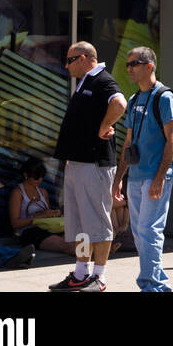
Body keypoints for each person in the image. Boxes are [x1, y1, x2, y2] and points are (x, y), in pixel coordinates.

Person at [49, 41, 126, 292]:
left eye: (70, 60)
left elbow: (120, 103)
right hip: (77, 164)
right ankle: (81, 273)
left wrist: (105, 126)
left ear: (83, 58)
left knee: (97, 223)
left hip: (94, 164)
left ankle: (99, 277)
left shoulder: (102, 80)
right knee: (80, 224)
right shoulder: (85, 82)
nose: (66, 65)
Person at [112, 46, 173, 292]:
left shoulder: (164, 97)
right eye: (128, 64)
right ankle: (158, 281)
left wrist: (161, 177)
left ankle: (150, 285)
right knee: (139, 233)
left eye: (134, 64)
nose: (129, 68)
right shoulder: (133, 99)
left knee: (150, 230)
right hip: (136, 175)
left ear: (149, 66)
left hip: (156, 175)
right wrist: (119, 177)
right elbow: (128, 142)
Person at [8, 157, 71, 256]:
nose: (40, 180)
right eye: (36, 177)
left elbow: (48, 215)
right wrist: (37, 218)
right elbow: (15, 223)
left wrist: (53, 213)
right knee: (67, 245)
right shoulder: (18, 193)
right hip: (30, 231)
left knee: (79, 239)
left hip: (48, 227)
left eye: (42, 177)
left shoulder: (42, 191)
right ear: (26, 175)